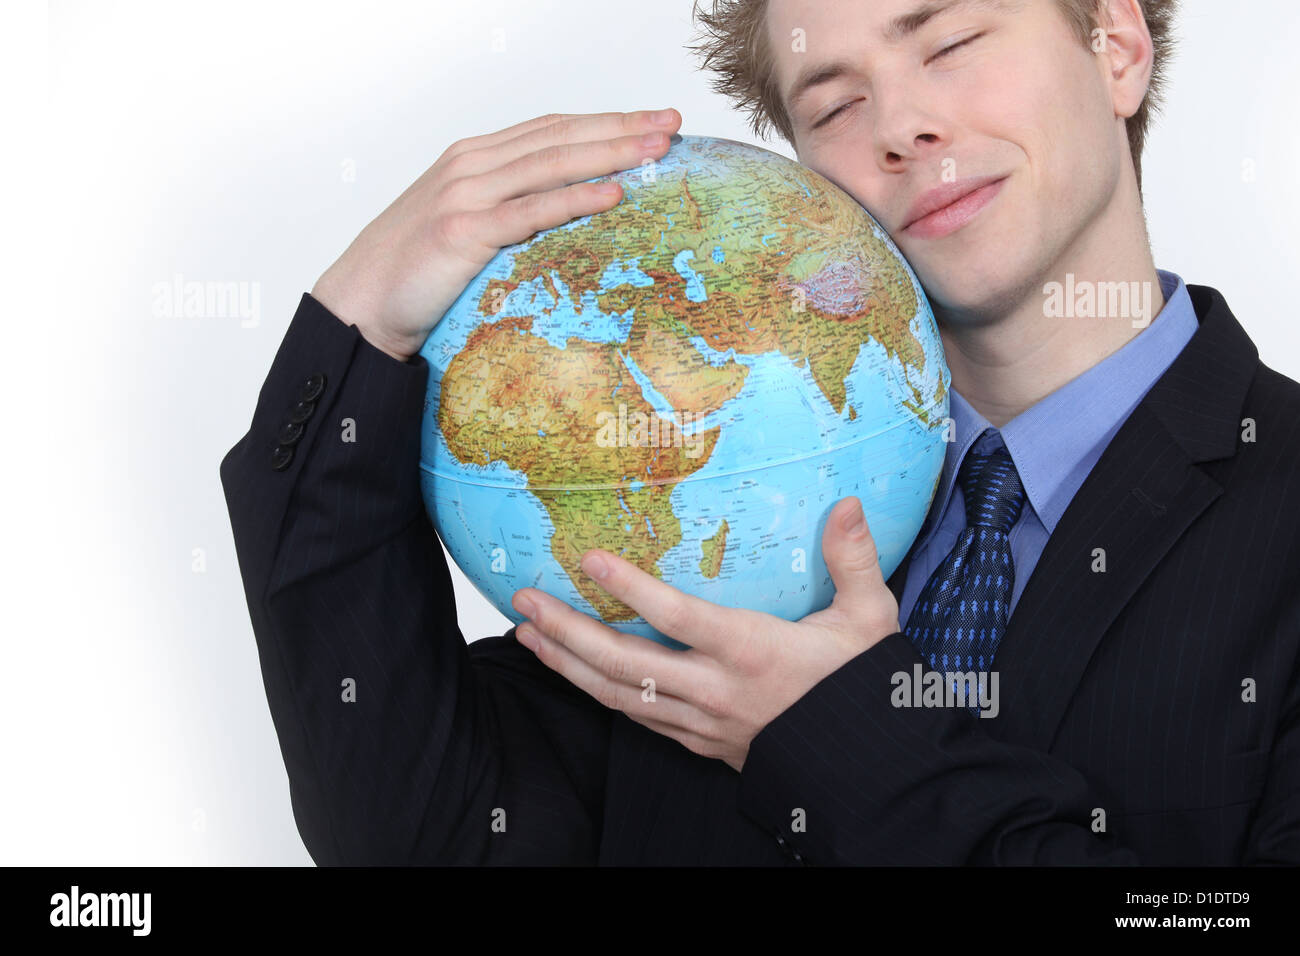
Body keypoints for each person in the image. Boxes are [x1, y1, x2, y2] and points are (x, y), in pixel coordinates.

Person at [220, 0, 1300, 864]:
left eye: (952, 41)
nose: (898, 128)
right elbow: (427, 832)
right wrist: (359, 317)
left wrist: (835, 737)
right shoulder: (717, 504)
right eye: (832, 107)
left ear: (1115, 45)